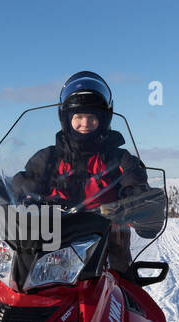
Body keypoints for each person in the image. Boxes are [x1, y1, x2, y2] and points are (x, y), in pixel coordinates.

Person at [11, 71, 166, 279]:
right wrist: (2, 194)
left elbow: (137, 188)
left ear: (103, 120)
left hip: (106, 256)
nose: (85, 123)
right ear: (66, 119)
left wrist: (141, 207)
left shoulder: (121, 160)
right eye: (78, 117)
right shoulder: (47, 158)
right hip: (50, 252)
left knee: (125, 299)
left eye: (92, 117)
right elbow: (23, 185)